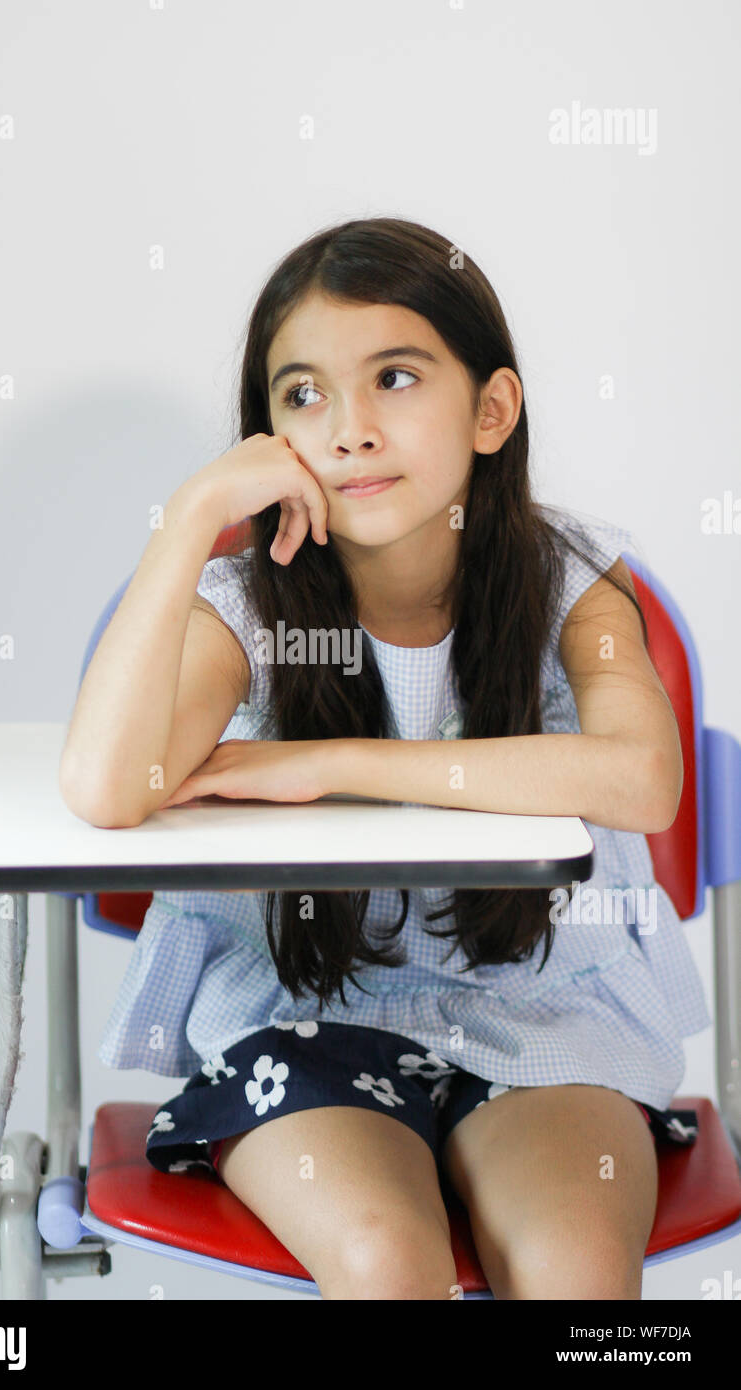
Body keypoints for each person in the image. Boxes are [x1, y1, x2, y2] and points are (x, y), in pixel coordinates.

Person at [60, 217, 710, 1300]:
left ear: (489, 410)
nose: (348, 430)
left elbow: (639, 778)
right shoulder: (242, 610)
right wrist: (186, 522)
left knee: (580, 1276)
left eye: (394, 378)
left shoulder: (574, 583)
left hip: (541, 1004)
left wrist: (336, 762)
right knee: (381, 1264)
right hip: (297, 1013)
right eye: (302, 394)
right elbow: (101, 787)